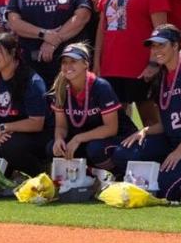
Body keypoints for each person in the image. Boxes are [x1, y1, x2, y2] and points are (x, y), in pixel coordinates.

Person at [112, 25, 181, 202]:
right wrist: (145, 131)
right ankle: (164, 172)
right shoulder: (161, 76)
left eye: (161, 45)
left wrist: (179, 152)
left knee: (165, 190)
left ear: (176, 45)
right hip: (170, 141)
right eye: (153, 46)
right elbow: (167, 123)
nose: (156, 50)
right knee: (122, 152)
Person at [95, 0, 170, 127]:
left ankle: (159, 159)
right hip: (111, 67)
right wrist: (96, 63)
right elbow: (102, 28)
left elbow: (161, 30)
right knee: (116, 124)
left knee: (152, 123)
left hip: (141, 67)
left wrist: (155, 63)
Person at [49, 44, 137, 177]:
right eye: (64, 62)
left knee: (95, 149)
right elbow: (61, 126)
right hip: (88, 139)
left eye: (73, 61)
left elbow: (111, 128)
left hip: (119, 137)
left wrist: (78, 138)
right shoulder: (61, 89)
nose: (68, 66)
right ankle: (86, 177)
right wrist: (58, 139)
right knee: (53, 148)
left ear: (85, 64)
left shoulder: (101, 87)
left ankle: (118, 176)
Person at [0, 32, 51, 176]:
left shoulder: (32, 81)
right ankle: (1, 179)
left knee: (10, 146)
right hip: (2, 132)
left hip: (35, 134)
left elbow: (37, 123)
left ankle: (40, 175)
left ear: (12, 53)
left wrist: (4, 128)